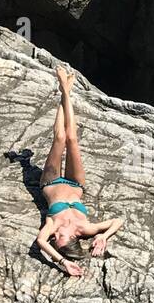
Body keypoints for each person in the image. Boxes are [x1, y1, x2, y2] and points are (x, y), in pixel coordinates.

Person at [36, 67, 123, 277]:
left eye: (54, 241)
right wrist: (104, 237)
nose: (55, 237)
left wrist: (62, 261)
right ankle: (66, 91)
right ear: (72, 239)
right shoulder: (85, 229)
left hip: (50, 182)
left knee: (60, 139)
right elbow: (117, 221)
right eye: (60, 240)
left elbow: (40, 242)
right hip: (76, 184)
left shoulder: (53, 224)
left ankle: (64, 90)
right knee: (72, 138)